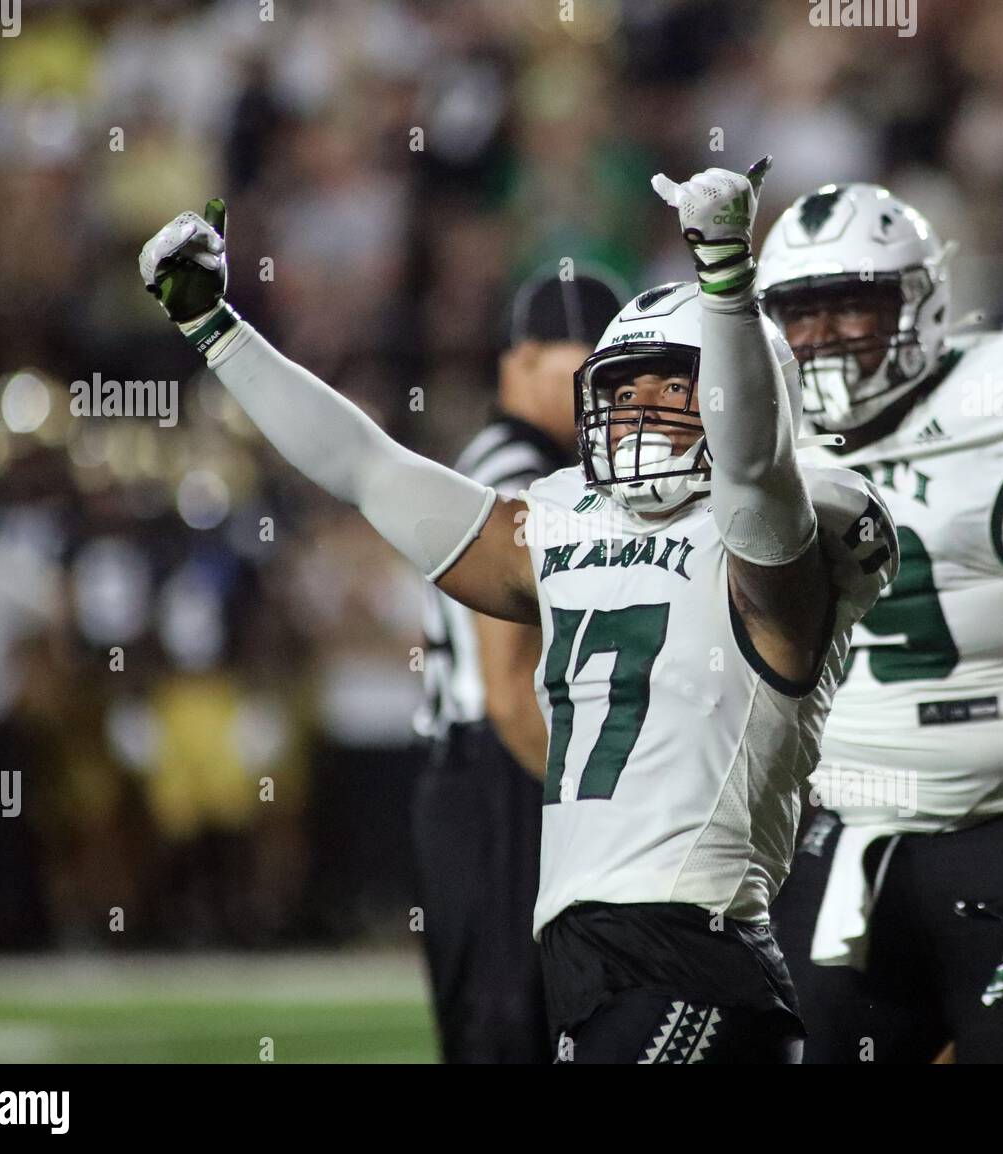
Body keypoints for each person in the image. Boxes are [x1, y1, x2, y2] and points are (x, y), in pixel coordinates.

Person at [138, 160, 897, 1065]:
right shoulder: (562, 523)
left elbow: (756, 477)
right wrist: (217, 330)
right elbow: (365, 467)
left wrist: (727, 280)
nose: (638, 411)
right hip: (586, 946)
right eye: (622, 390)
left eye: (670, 387)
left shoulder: (779, 545)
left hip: (696, 944)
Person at [759, 184, 1003, 1064]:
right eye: (799, 311)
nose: (822, 335)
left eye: (852, 304)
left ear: (920, 302)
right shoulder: (775, 447)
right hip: (849, 829)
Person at [413, 268, 623, 1063]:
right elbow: (508, 694)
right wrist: (603, 810)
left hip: (487, 772)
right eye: (588, 369)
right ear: (522, 361)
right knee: (511, 1027)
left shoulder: (515, 461)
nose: (607, 393)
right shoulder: (518, 474)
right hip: (502, 775)